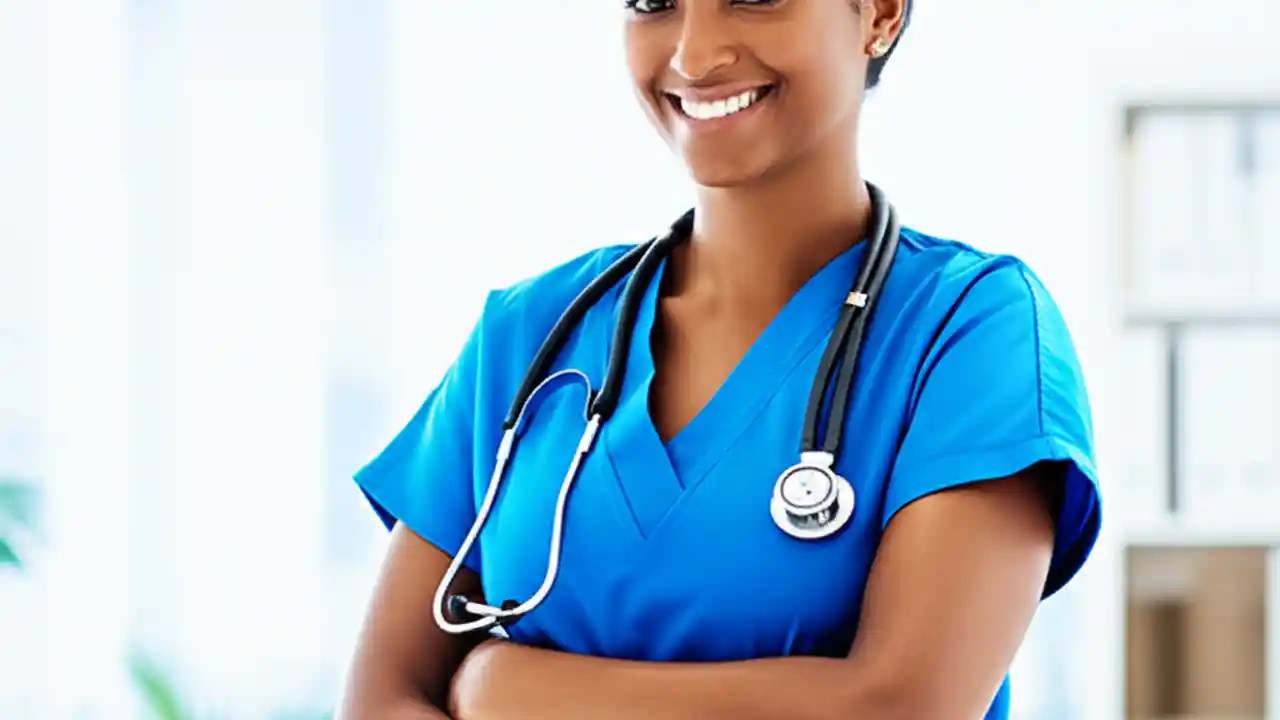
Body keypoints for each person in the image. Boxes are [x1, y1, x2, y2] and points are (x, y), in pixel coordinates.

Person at [338, 1, 1102, 718]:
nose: (694, 53)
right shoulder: (530, 335)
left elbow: (901, 706)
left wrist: (505, 688)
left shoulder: (971, 329)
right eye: (652, 0)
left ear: (878, 12)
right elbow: (382, 699)